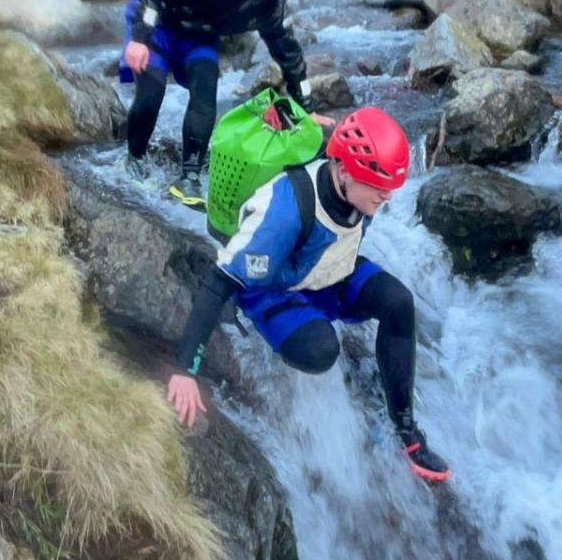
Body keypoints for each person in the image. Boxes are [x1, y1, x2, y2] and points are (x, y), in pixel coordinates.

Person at [166, 107, 452, 482]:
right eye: (379, 188)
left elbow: (310, 130)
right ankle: (275, 323)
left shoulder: (354, 184)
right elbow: (219, 279)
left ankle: (407, 433)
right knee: (321, 351)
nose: (387, 198)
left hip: (329, 269)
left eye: (390, 189)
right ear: (346, 172)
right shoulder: (285, 211)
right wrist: (186, 369)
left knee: (399, 302)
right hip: (273, 289)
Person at [121, 0, 316, 207]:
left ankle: (189, 177)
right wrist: (139, 38)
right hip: (158, 24)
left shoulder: (269, 4)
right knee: (153, 91)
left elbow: (289, 54)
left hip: (198, 37)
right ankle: (134, 157)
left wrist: (307, 109)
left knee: (205, 91)